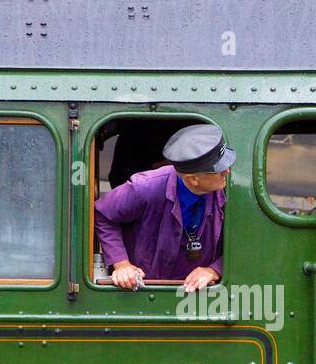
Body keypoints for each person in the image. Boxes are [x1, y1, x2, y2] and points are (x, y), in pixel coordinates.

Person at [95, 123, 232, 293]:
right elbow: (103, 213)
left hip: (199, 296)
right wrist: (122, 264)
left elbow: (248, 241)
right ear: (193, 179)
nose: (227, 171)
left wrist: (215, 270)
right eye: (218, 169)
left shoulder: (229, 189)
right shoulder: (144, 187)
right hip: (145, 291)